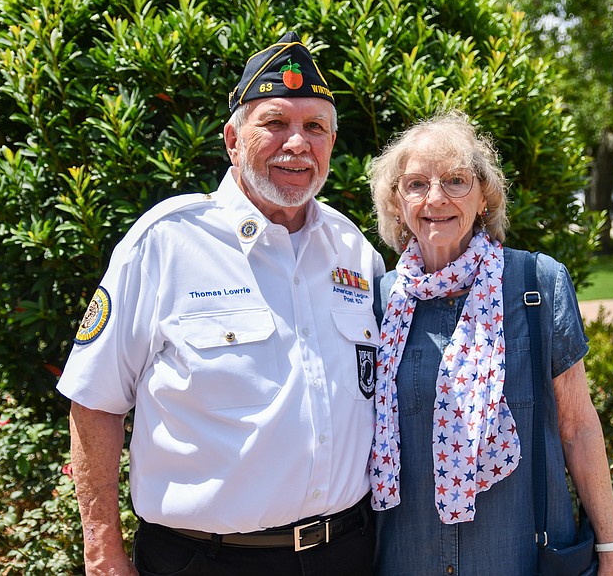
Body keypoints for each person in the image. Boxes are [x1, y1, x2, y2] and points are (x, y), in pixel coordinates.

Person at [58, 32, 385, 576]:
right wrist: (102, 554)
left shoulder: (352, 247)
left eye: (315, 127)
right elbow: (95, 402)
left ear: (331, 143)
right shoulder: (167, 241)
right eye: (275, 123)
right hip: (205, 559)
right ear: (233, 139)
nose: (297, 143)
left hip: (344, 552)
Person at [367, 110, 613, 575]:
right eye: (416, 184)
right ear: (395, 202)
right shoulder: (381, 300)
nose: (435, 198)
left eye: (455, 181)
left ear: (484, 196)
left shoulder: (536, 284)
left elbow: (578, 427)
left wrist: (612, 552)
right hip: (408, 557)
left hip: (517, 555)